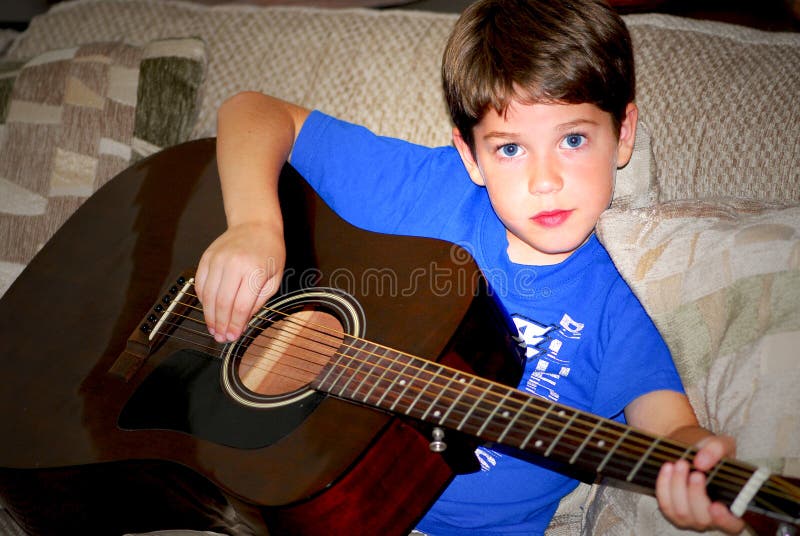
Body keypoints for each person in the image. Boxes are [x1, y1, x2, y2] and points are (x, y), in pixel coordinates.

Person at [195, 0, 746, 534]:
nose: (545, 180)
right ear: (470, 155)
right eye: (510, 149)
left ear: (622, 134)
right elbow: (252, 110)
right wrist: (253, 226)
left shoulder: (624, 291)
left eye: (573, 139)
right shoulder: (433, 190)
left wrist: (696, 467)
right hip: (306, 479)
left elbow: (669, 426)